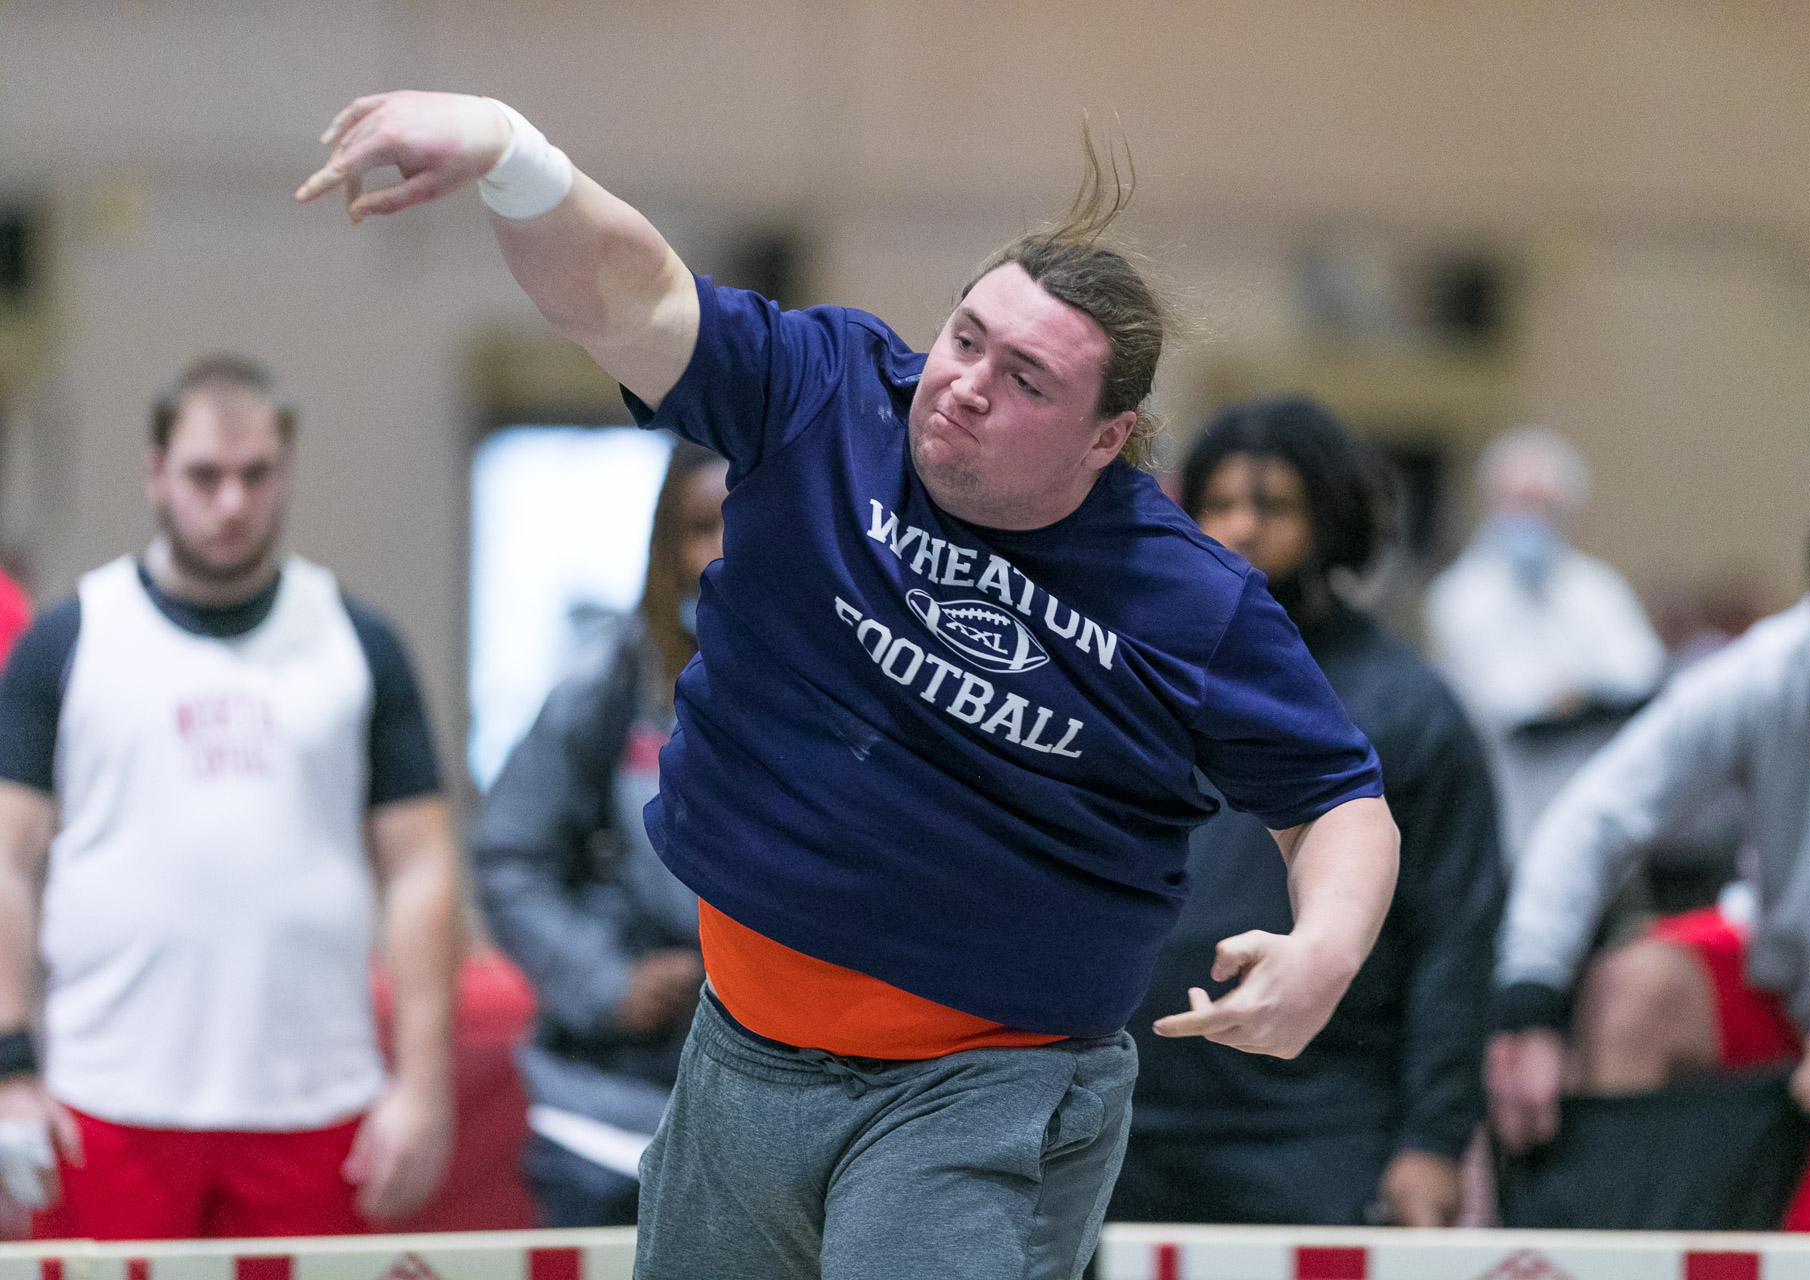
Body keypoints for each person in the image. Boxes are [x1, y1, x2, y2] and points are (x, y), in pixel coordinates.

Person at [298, 93, 1399, 1280]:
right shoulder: (828, 396)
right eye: (966, 335)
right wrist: (514, 159)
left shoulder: (1188, 598)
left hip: (982, 1084)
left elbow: (1339, 797)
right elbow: (633, 294)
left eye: (1027, 379)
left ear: (1107, 437)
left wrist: (1326, 943)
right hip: (741, 1052)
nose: (967, 381)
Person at [0, 355, 458, 1239]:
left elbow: (421, 872)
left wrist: (424, 1085)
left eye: (256, 475)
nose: (231, 503)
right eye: (204, 475)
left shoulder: (359, 644)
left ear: (286, 472)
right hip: (106, 1101)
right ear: (155, 472)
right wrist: (9, 1063)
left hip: (318, 1103)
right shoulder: (67, 642)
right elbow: (7, 863)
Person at [1112, 398, 1502, 1228]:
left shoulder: (1409, 706)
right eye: (1219, 504)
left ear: (1331, 517)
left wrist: (1432, 1141)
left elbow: (1454, 946)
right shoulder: (1141, 671)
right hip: (1124, 1109)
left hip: (1314, 1126)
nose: (1242, 528)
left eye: (1274, 505)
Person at [1488, 483, 1810, 1231]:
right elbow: (1595, 815)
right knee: (1634, 992)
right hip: (1793, 971)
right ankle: (1615, 1237)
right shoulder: (1766, 673)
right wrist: (1530, 991)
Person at [475, 441, 725, 1226]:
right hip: (607, 1118)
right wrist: (606, 982)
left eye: (750, 522)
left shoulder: (842, 688)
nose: (726, 550)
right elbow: (509, 858)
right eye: (702, 526)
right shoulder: (608, 681)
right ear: (667, 544)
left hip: (774, 1114)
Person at [1425, 427, 1665, 858]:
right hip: (1502, 815)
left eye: (1544, 504)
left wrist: (1573, 697)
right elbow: (1514, 710)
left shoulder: (1597, 587)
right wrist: (1584, 694)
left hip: (1596, 811)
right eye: (1518, 501)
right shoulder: (1462, 595)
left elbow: (1642, 679)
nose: (1529, 517)